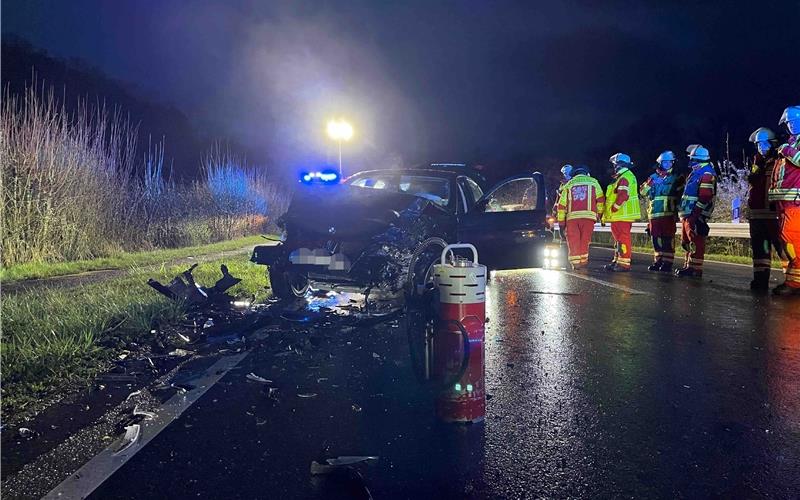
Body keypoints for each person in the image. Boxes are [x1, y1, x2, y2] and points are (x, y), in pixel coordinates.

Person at [746, 127, 783, 290]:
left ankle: (792, 281)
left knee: (783, 250)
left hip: (775, 214)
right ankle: (760, 280)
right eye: (759, 145)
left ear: (772, 144)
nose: (761, 148)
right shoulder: (757, 162)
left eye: (765, 144)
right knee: (760, 251)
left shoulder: (780, 161)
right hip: (757, 215)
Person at [768, 105, 800, 295]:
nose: (790, 126)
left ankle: (795, 284)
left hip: (795, 202)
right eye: (788, 123)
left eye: (794, 122)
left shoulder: (790, 146)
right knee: (786, 240)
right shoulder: (790, 142)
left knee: (793, 239)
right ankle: (792, 279)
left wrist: (787, 150)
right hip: (784, 202)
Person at [675, 145, 716, 278]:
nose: (690, 161)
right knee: (687, 241)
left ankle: (695, 269)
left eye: (692, 158)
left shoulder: (706, 173)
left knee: (695, 241)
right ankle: (689, 266)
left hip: (696, 214)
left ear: (696, 159)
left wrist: (696, 214)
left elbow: (705, 196)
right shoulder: (697, 172)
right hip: (689, 213)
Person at [639, 151, 684, 272]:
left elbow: (681, 194)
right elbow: (642, 192)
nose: (668, 164)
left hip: (668, 213)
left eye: (670, 162)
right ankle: (658, 261)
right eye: (665, 162)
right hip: (654, 213)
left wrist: (679, 211)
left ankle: (667, 263)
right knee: (655, 239)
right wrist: (650, 184)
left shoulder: (677, 177)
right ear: (660, 163)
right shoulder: (653, 177)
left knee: (667, 239)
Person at [556, 165, 605, 270]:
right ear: (586, 173)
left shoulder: (569, 184)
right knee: (585, 240)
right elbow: (600, 200)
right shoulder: (594, 182)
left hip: (572, 218)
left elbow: (561, 205)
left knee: (573, 241)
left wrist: (561, 223)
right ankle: (583, 262)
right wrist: (600, 215)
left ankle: (576, 264)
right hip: (589, 217)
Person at [602, 153, 640, 271]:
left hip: (622, 214)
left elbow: (623, 195)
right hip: (619, 215)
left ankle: (623, 263)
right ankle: (617, 260)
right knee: (618, 240)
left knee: (623, 239)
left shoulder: (624, 177)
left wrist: (614, 208)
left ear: (618, 164)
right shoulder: (622, 176)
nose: (614, 167)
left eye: (614, 164)